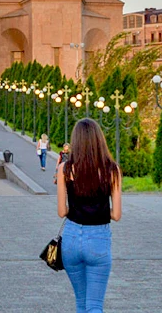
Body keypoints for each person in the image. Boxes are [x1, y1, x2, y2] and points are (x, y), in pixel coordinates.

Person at [56, 119, 122, 313]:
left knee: (81, 303)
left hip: (71, 238)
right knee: (94, 305)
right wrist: (99, 212)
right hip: (99, 239)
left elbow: (62, 211)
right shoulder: (112, 170)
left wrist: (78, 209)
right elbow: (116, 214)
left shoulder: (65, 169)